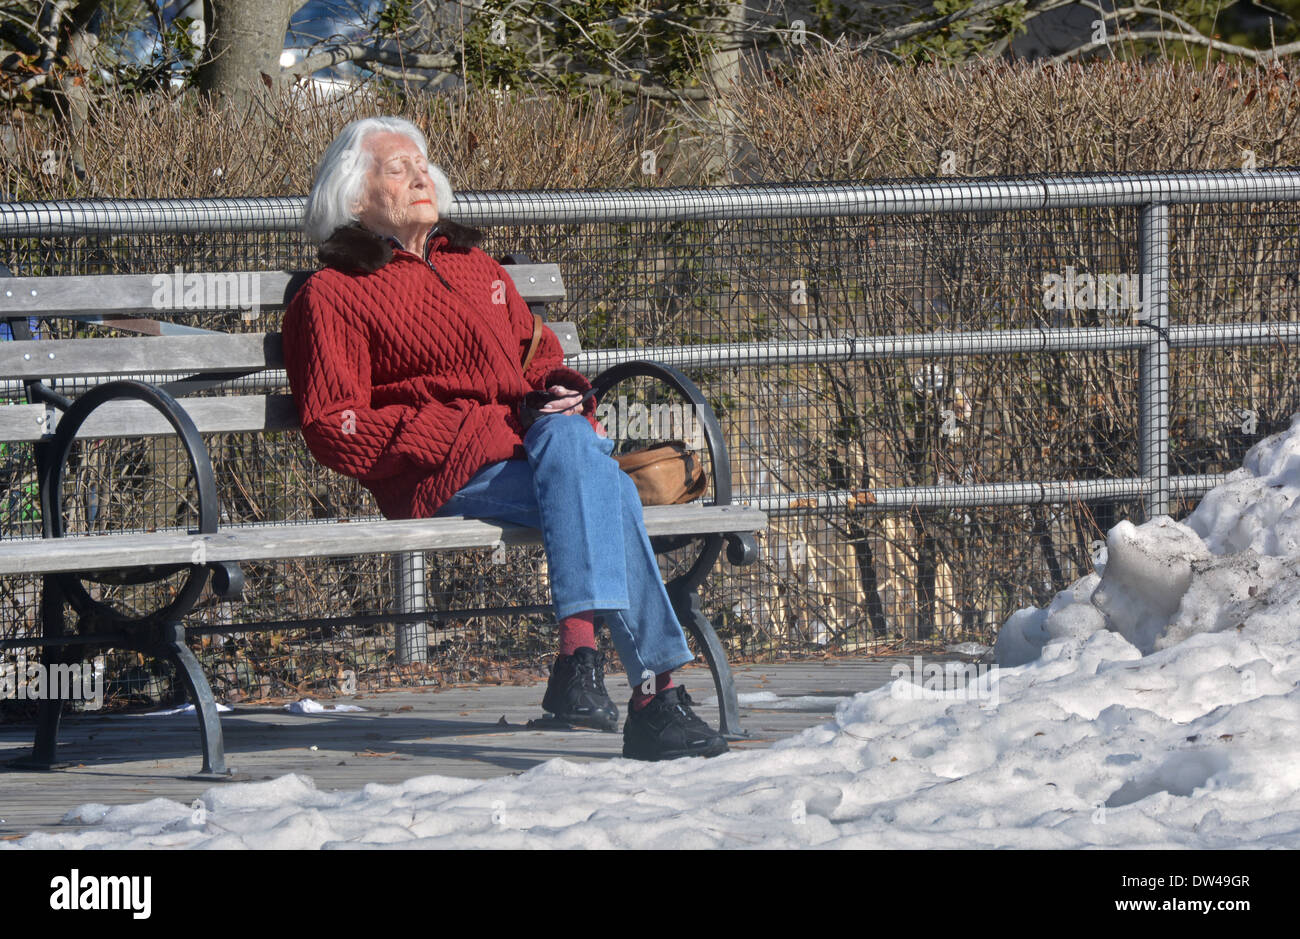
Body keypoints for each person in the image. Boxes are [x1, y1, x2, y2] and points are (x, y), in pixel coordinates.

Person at [282, 116, 727, 761]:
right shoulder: (333, 294)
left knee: (578, 453)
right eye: (396, 168)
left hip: (533, 444)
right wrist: (466, 429)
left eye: (422, 164)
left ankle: (606, 673)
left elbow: (536, 353)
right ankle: (647, 690)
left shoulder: (473, 267)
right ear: (354, 198)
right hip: (443, 471)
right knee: (605, 485)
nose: (419, 177)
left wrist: (559, 385)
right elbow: (334, 428)